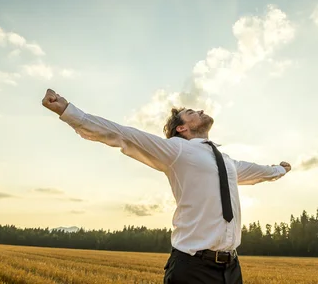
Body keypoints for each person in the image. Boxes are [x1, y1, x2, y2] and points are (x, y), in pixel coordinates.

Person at [42, 88, 291, 284]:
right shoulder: (177, 150)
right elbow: (124, 135)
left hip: (231, 269)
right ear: (181, 128)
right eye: (192, 111)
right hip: (193, 269)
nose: (200, 110)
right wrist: (68, 111)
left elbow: (258, 171)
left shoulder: (227, 162)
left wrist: (279, 170)